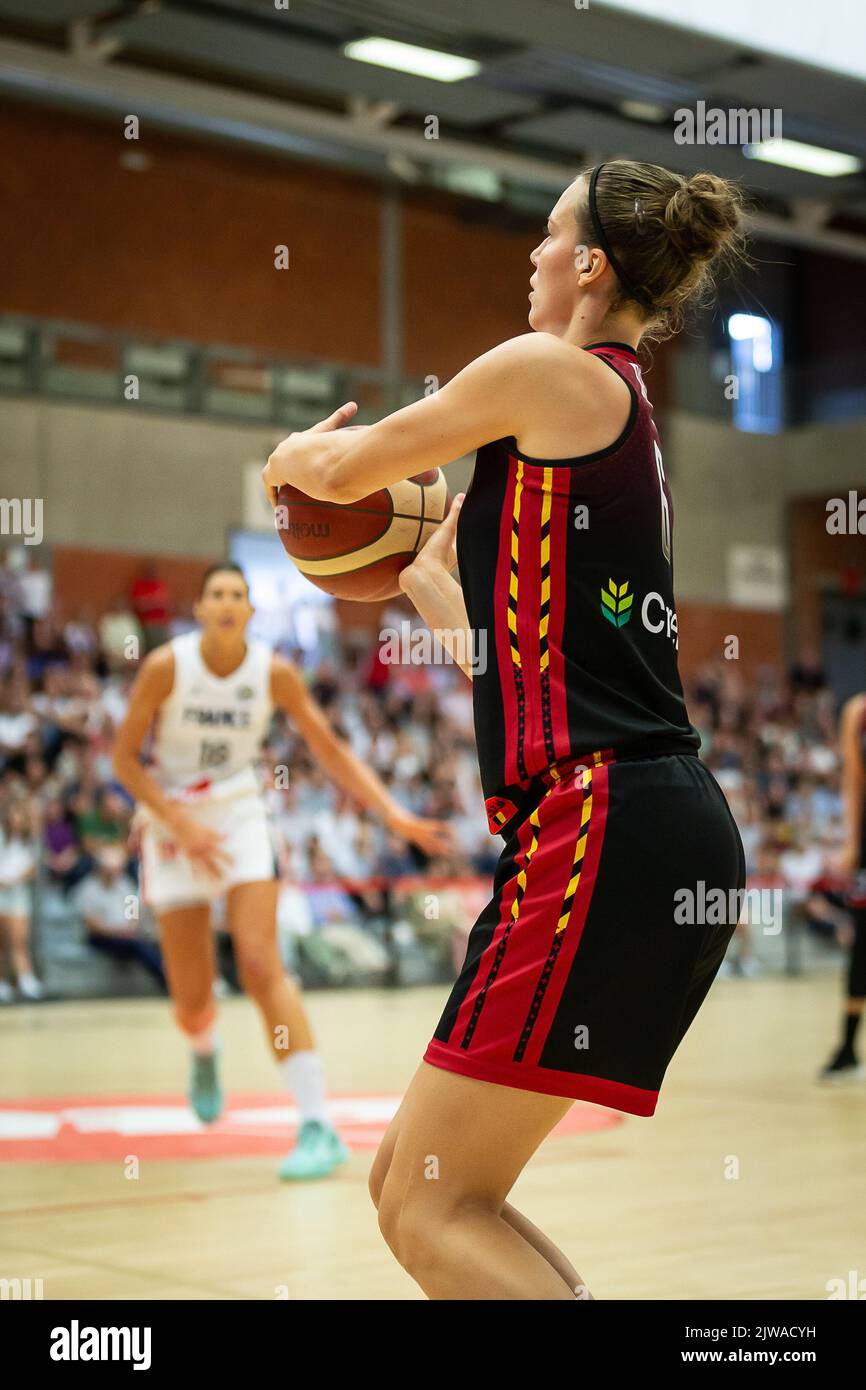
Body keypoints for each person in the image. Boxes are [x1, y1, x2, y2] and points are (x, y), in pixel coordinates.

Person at [264, 158, 748, 1297]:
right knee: (415, 1188)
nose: (527, 256)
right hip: (623, 826)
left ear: (586, 265)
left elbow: (337, 463)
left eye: (545, 236)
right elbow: (498, 647)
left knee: (430, 1206)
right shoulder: (598, 415)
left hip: (605, 826)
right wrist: (422, 581)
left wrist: (291, 469)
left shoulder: (551, 370)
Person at [112, 562, 450, 1180]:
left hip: (241, 814)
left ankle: (317, 1123)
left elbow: (331, 750)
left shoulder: (273, 673)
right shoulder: (167, 667)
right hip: (172, 822)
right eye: (215, 593)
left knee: (261, 964)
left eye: (238, 595)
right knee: (190, 1000)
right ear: (200, 608)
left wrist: (395, 816)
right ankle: (204, 1049)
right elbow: (123, 759)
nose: (226, 603)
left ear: (249, 612)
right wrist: (176, 823)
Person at [819, 692, 866, 1082]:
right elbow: (854, 782)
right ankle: (849, 1049)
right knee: (861, 949)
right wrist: (851, 845)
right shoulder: (857, 711)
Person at [74, 845, 166, 991]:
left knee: (151, 939)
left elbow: (133, 916)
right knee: (138, 945)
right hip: (102, 938)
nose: (116, 872)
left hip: (127, 935)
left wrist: (129, 930)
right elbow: (92, 926)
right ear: (101, 869)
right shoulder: (87, 889)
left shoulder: (125, 884)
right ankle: (166, 979)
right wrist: (120, 932)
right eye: (112, 869)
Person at [0, 800, 41, 1002]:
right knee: (1, 943)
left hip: (17, 895)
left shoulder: (29, 840)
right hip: (1, 894)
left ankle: (26, 980)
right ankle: (3, 984)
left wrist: (14, 881)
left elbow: (31, 869)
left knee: (19, 941)